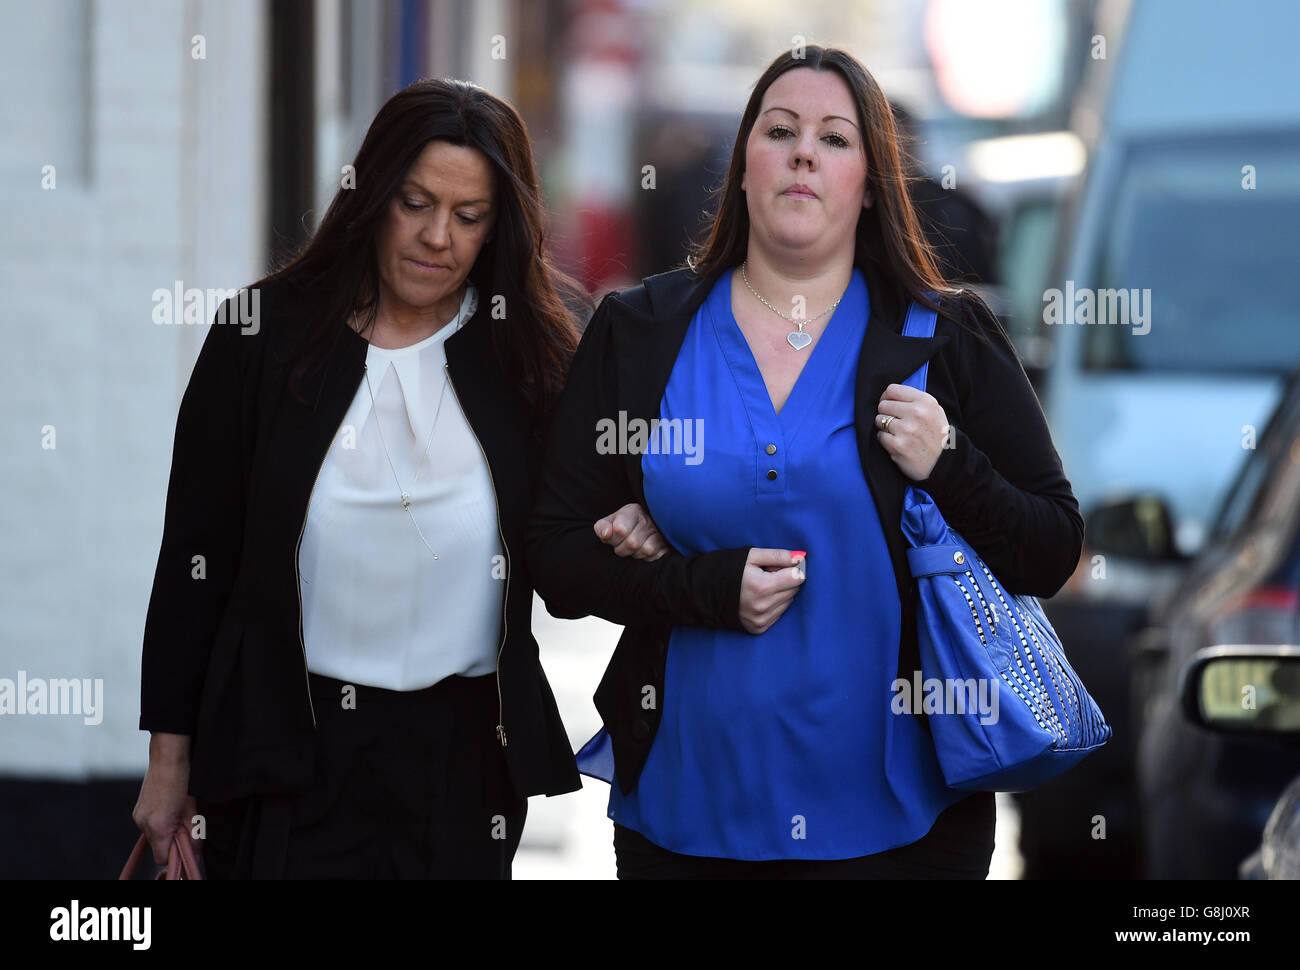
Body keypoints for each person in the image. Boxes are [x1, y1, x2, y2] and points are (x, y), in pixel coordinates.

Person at [526, 46, 1084, 879]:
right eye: (780, 130)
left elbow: (1052, 546)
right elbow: (557, 561)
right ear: (743, 166)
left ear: (871, 182)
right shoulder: (642, 332)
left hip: (905, 831)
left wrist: (951, 463)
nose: (803, 154)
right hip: (687, 819)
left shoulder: (945, 337)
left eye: (835, 139)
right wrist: (699, 587)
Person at [132, 77, 667, 879]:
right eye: (415, 203)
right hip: (286, 751)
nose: (437, 237)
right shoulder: (261, 338)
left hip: (462, 766)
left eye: (468, 215)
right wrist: (168, 766)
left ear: (498, 228)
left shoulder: (533, 360)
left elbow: (577, 537)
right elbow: (192, 564)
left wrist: (645, 521)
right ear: (371, 195)